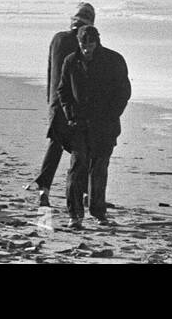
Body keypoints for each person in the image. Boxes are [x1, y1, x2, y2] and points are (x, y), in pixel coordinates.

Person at [55, 25, 131, 229]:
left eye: (90, 44)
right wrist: (70, 114)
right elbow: (62, 91)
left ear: (97, 42)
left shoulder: (114, 60)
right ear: (78, 43)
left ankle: (98, 212)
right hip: (79, 125)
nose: (87, 48)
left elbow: (124, 92)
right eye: (83, 44)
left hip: (106, 125)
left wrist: (111, 116)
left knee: (99, 168)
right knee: (77, 167)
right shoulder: (71, 61)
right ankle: (74, 214)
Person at [27, 1, 94, 208]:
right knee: (82, 149)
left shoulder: (57, 39)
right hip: (77, 106)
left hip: (57, 103)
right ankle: (83, 193)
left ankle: (43, 188)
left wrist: (51, 100)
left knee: (55, 145)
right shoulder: (86, 42)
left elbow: (51, 70)